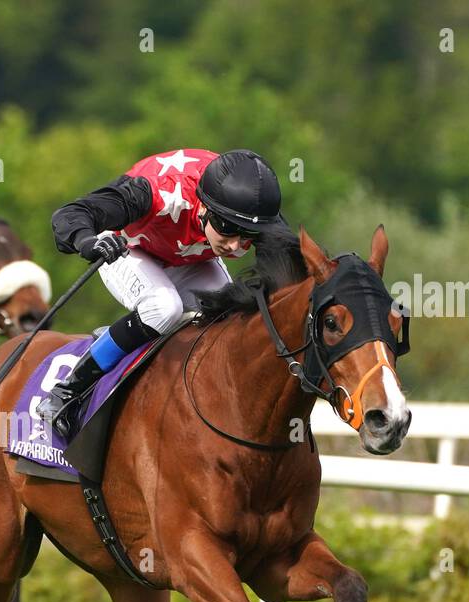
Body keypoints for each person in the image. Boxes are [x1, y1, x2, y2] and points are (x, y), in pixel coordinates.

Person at [37, 148, 284, 438]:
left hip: (183, 255)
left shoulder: (252, 209)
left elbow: (290, 263)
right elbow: (69, 214)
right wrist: (86, 241)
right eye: (227, 228)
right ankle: (66, 392)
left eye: (247, 236)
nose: (235, 247)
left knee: (229, 316)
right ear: (202, 207)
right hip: (125, 247)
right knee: (164, 308)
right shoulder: (155, 192)